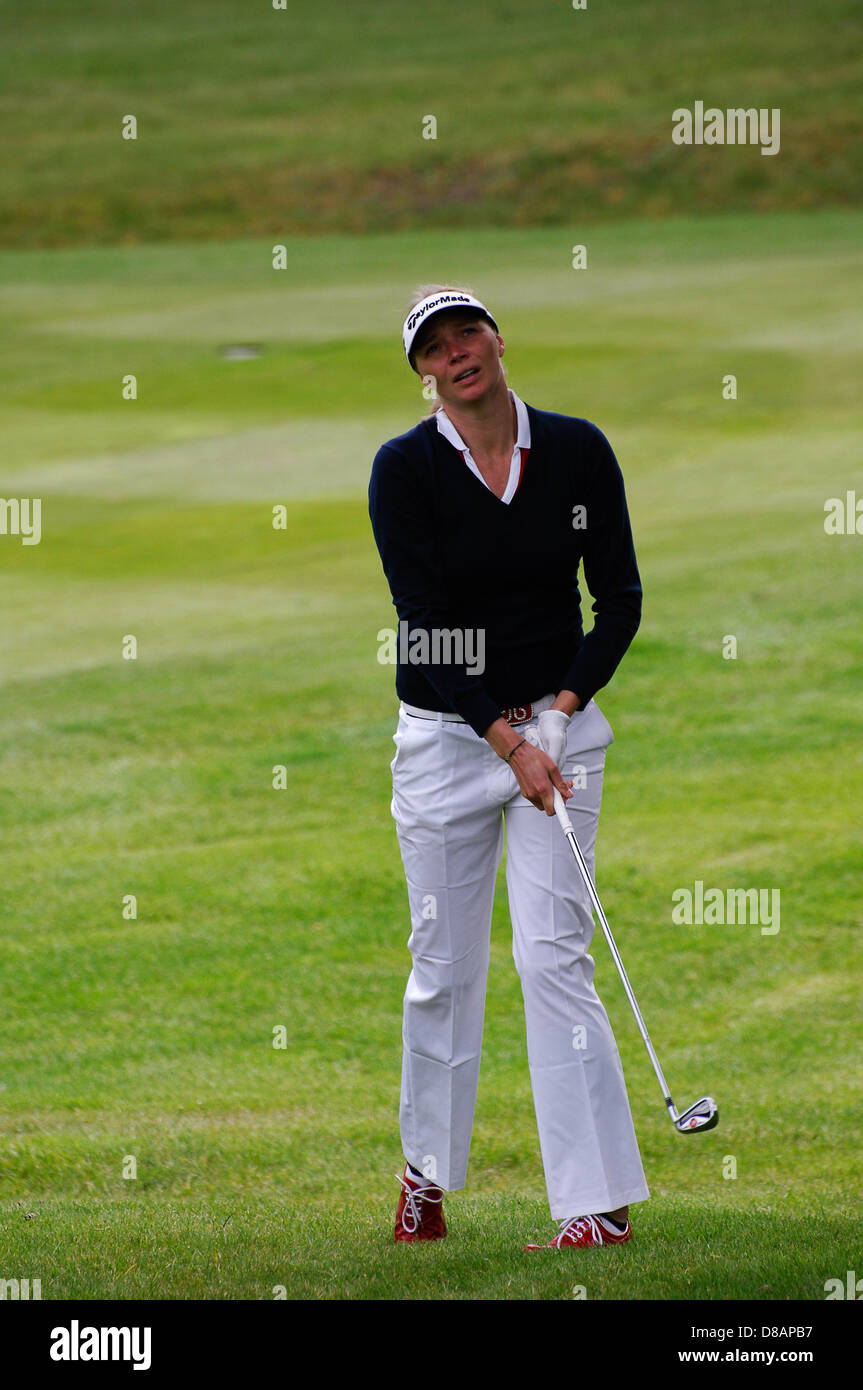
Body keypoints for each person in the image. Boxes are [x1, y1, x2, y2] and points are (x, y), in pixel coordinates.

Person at [368, 285, 650, 1250]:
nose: (457, 355)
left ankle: (596, 1204)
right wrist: (508, 739)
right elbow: (426, 622)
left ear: (496, 338)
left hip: (558, 734)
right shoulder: (403, 470)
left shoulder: (575, 449)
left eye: (467, 334)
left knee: (550, 954)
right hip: (449, 743)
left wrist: (561, 718)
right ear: (421, 375)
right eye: (435, 349)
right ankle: (426, 1180)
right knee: (441, 969)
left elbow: (616, 599)